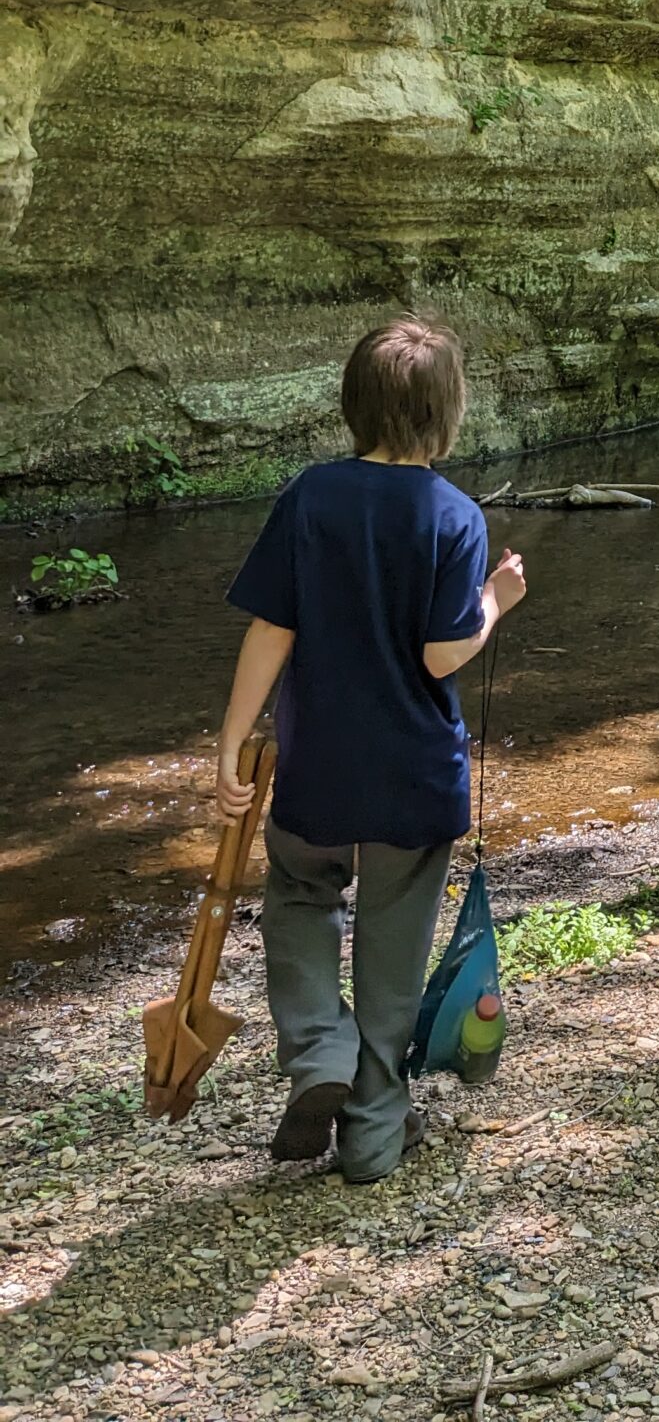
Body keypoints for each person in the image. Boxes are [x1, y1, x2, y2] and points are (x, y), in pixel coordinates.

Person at [214, 316, 527, 1183]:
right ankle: (374, 1130)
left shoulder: (310, 496)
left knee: (299, 897)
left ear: (353, 404)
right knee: (393, 948)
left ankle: (320, 1049)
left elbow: (271, 629)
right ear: (447, 412)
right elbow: (443, 654)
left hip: (318, 762)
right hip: (414, 773)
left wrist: (233, 739)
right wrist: (496, 600)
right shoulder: (454, 514)